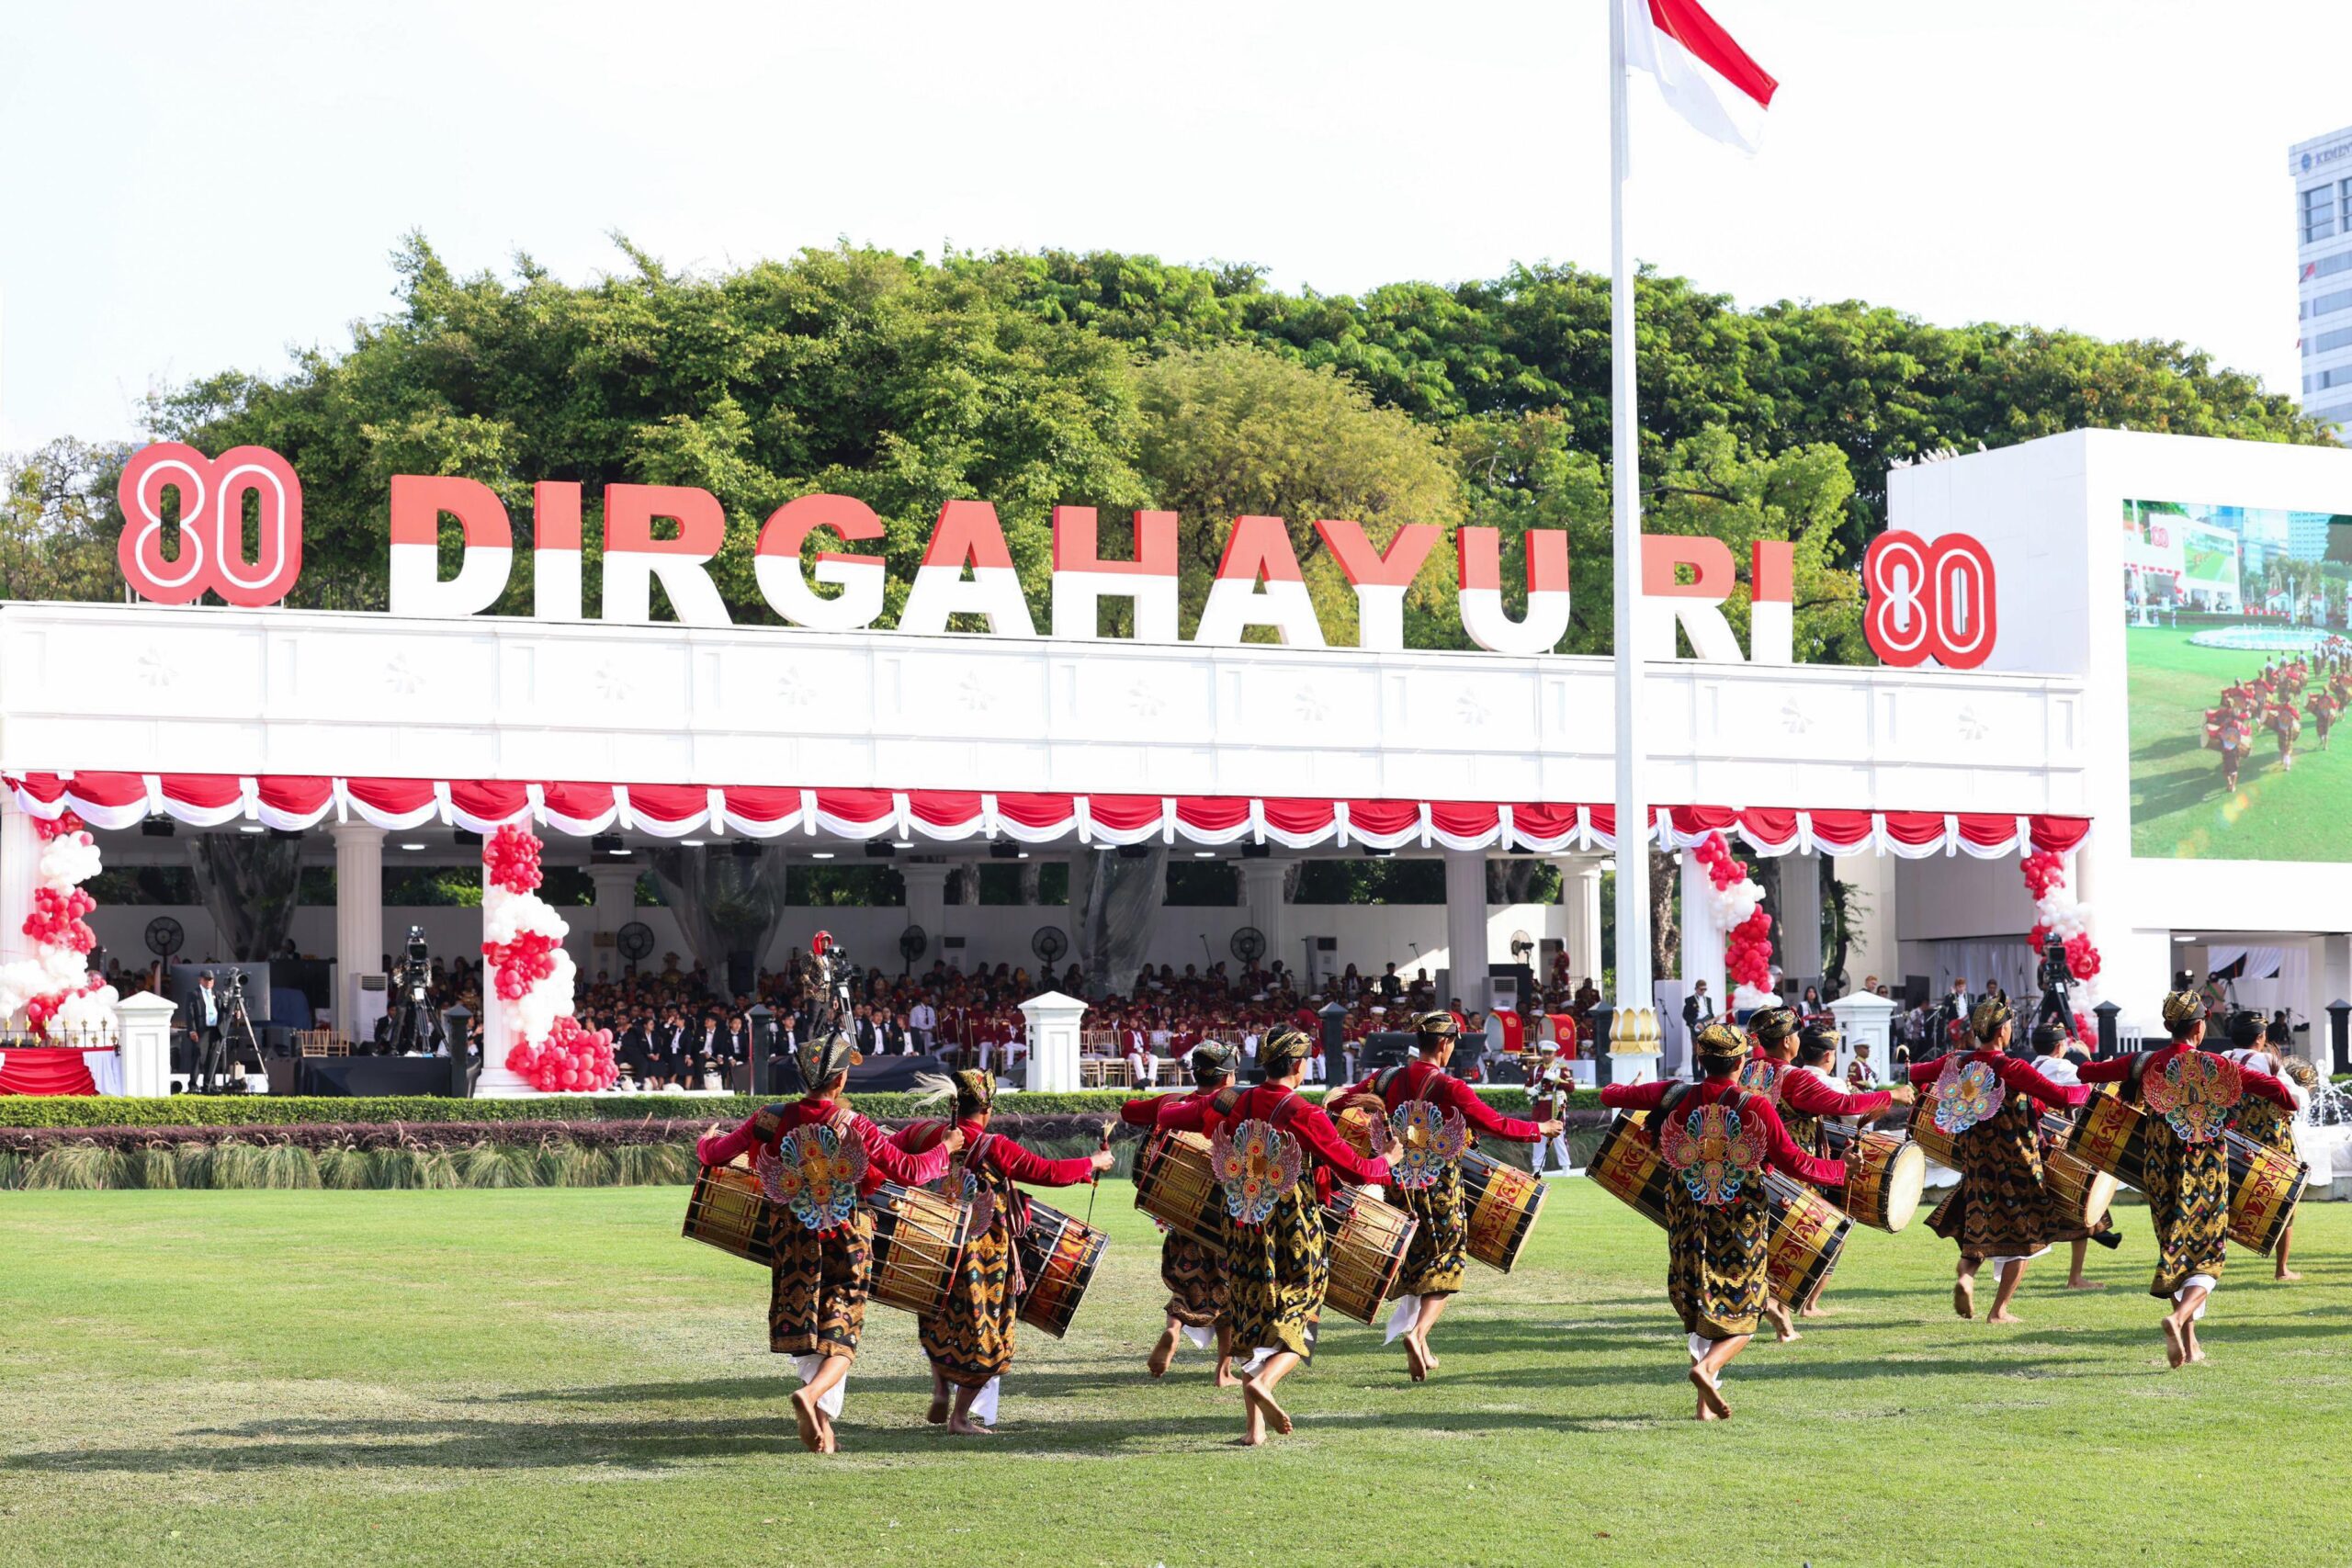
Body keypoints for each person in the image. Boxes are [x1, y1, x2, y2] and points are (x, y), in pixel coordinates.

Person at [693, 1027, 961, 1454]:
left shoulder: (771, 1116)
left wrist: (705, 1143)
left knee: (806, 1324)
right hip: (847, 1235)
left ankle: (824, 1430)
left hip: (792, 1234)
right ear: (839, 1081)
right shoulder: (853, 1123)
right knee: (842, 1331)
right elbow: (910, 1171)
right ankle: (813, 1396)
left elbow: (716, 1155)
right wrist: (946, 1147)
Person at [1153, 1027, 1396, 1446]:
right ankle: (1266, 1381)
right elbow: (1356, 1169)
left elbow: (1169, 1117)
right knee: (1302, 1305)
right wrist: (1389, 1158)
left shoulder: (1235, 1099)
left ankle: (1254, 1430)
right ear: (1299, 1065)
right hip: (1292, 1228)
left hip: (1242, 1223)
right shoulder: (1304, 1112)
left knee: (1251, 1311)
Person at [1600, 1021, 1851, 1420]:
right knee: (1746, 1310)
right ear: (1741, 1062)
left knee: (1703, 1301)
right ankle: (1708, 1368)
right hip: (1738, 1217)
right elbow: (1794, 1162)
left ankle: (1704, 1408)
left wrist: (1628, 1091)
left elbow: (1610, 1094)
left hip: (1687, 1211)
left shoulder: (1674, 1093)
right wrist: (1840, 1170)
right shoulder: (1755, 1105)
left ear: (1702, 1060)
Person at [1332, 1012, 1560, 1382]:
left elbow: (1340, 1101)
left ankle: (1422, 1343)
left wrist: (1365, 1105)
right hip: (1439, 1188)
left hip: (1399, 1187)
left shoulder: (1386, 1078)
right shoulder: (1451, 1087)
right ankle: (1418, 1334)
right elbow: (1495, 1124)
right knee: (1449, 1258)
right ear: (1444, 1044)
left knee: (1417, 1257)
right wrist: (1541, 1128)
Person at [2077, 991, 2299, 1367]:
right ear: (2200, 1026)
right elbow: (2280, 1093)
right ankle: (2179, 1319)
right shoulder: (2216, 1065)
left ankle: (2190, 1342)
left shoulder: (2145, 1063)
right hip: (2204, 1172)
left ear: (2168, 1027)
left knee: (2173, 1250)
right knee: (2208, 1254)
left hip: (2160, 1169)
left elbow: (2087, 1073)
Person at [899, 1070, 1110, 1435]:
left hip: (934, 1244)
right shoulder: (992, 1144)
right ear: (987, 1108)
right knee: (988, 1333)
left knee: (938, 1318)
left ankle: (939, 1387)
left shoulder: (924, 1134)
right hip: (983, 1255)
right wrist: (1093, 1162)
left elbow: (892, 1157)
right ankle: (960, 1418)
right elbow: (1046, 1171)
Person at [1910, 998, 2090, 1324]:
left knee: (1978, 1226)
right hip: (2017, 1163)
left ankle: (1966, 1277)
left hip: (1977, 1164)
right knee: (2027, 1236)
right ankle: (1999, 1311)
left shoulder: (1958, 1061)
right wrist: (2089, 1091)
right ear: (2004, 1030)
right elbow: (2062, 1097)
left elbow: (1916, 1074)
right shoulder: (2012, 1068)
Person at [1757, 1016, 1915, 1325]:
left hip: (1758, 1165)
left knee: (1776, 1239)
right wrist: (1891, 1095)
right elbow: (1842, 1104)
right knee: (1808, 1238)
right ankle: (1781, 1310)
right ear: (1788, 1042)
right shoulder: (1794, 1078)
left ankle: (1780, 1311)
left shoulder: (1753, 1069)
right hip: (1794, 1170)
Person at [1119, 1042, 1244, 1386]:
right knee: (1229, 1289)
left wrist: (1160, 1100)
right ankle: (1223, 1371)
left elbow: (1129, 1111)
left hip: (1179, 1209)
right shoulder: (1232, 1106)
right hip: (1221, 1215)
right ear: (1229, 1075)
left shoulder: (1174, 1102)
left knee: (1187, 1278)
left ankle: (1173, 1329)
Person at [2030, 1021, 2122, 1290]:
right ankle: (2075, 1278)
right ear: (2060, 1047)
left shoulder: (2028, 1066)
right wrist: (2097, 1063)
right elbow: (2096, 1083)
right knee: (2080, 1209)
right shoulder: (2062, 1068)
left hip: (2033, 1146)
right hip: (2059, 1148)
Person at [2229, 1013, 2305, 1283]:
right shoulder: (2266, 1060)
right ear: (2261, 1037)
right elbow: (2296, 1097)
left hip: (2235, 1142)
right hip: (2271, 1142)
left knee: (2226, 1198)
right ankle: (2281, 1269)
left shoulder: (2223, 1057)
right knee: (2287, 1199)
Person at [1526, 1041, 1576, 1177]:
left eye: (1550, 1053)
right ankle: (1537, 1168)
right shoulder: (1537, 1069)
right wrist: (1530, 1090)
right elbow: (1527, 1086)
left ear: (1554, 1054)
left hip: (1555, 1105)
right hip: (1539, 1107)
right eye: (1544, 1053)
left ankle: (1566, 1167)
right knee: (1538, 1135)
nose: (1547, 1056)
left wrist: (1556, 1079)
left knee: (1558, 1136)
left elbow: (1571, 1088)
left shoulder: (1561, 1069)